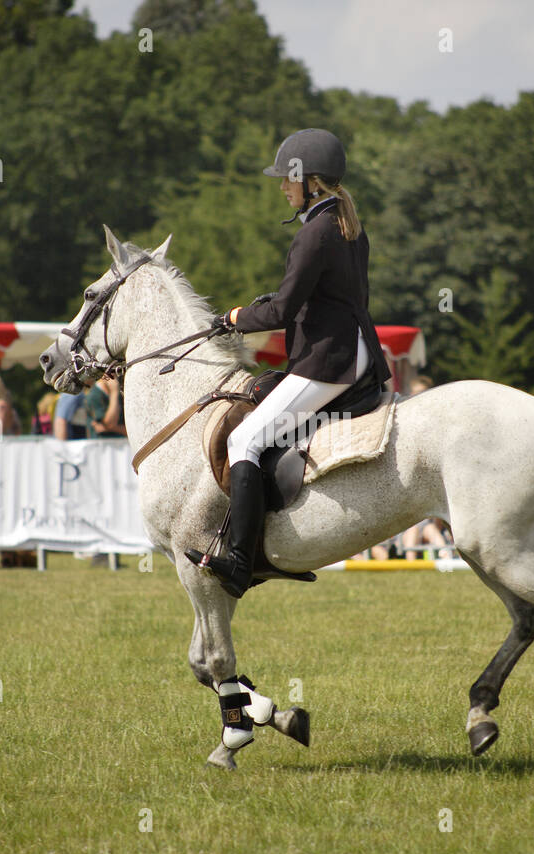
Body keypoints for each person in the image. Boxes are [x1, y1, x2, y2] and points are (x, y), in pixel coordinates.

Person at [184, 128, 392, 596]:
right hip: (355, 350)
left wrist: (236, 317)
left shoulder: (314, 234)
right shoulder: (343, 223)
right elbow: (316, 299)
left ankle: (241, 561)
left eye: (287, 180)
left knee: (244, 440)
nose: (282, 187)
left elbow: (280, 311)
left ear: (312, 183)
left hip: (329, 361)